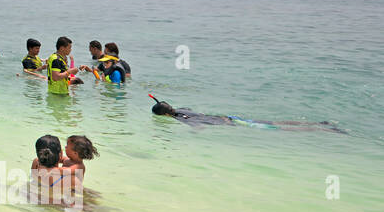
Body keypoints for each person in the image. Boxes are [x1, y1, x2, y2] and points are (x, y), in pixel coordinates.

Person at [149, 94, 347, 132]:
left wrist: (193, 131)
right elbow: (191, 112)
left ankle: (322, 129)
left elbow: (198, 126)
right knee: (275, 122)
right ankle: (321, 124)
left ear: (165, 115)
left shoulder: (182, 119)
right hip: (231, 118)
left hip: (231, 124)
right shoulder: (182, 110)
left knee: (277, 128)